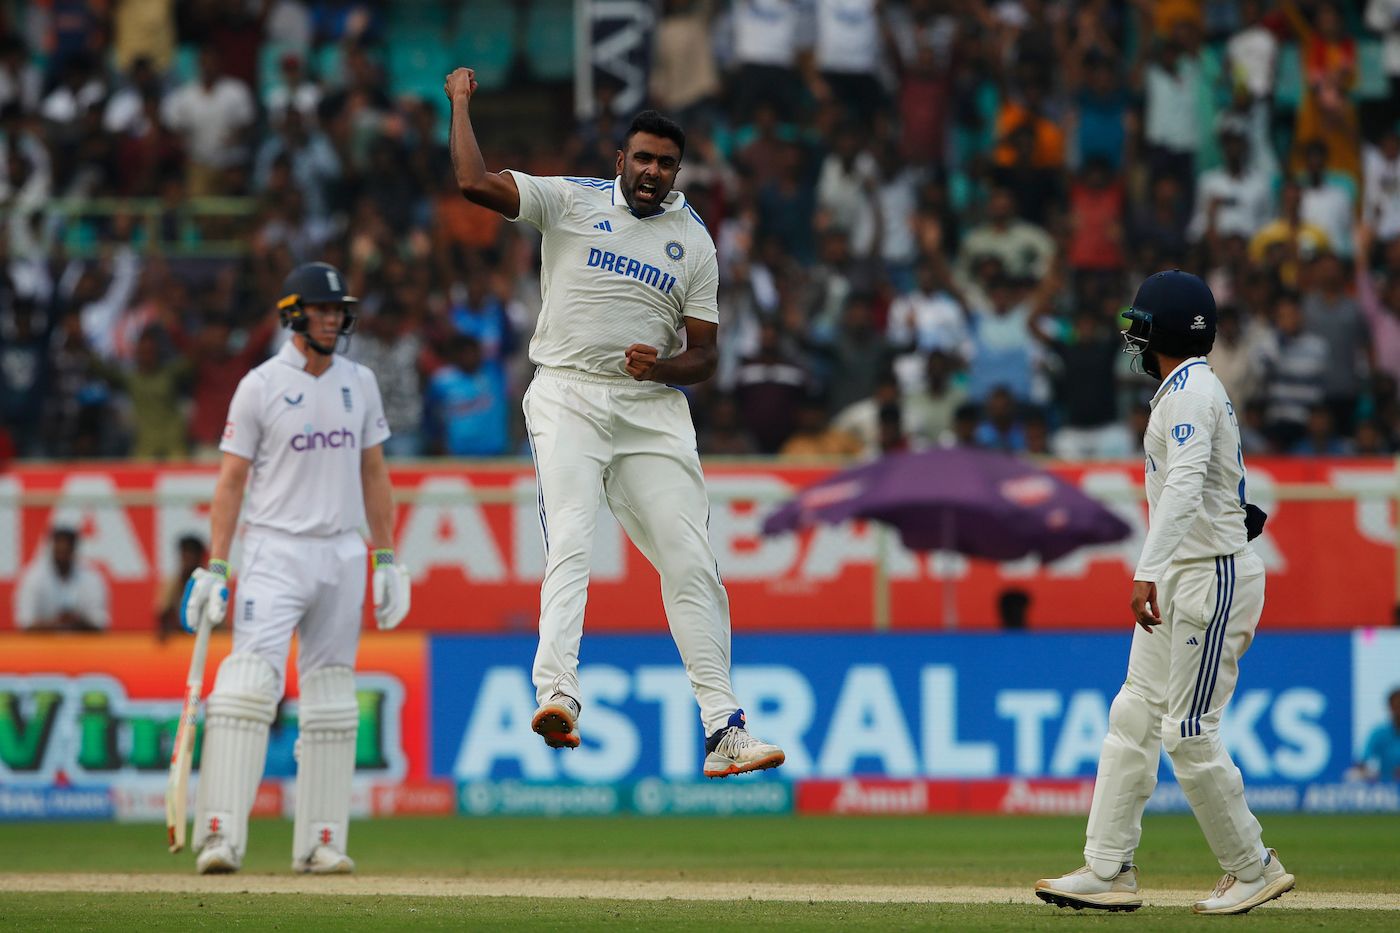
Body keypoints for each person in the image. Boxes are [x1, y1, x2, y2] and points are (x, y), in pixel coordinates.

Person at [444, 66, 784, 778]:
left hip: (649, 406)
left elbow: (706, 356)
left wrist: (661, 368)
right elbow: (474, 183)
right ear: (620, 159)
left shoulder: (693, 241)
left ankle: (723, 728)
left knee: (691, 558)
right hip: (568, 393)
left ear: (678, 171)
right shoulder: (570, 200)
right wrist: (461, 103)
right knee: (571, 537)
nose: (653, 171)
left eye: (666, 163)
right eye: (644, 158)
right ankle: (558, 694)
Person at [1035, 271, 1295, 916]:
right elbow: (1205, 484)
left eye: (1142, 325)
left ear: (1168, 330)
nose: (1135, 336)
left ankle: (1253, 867)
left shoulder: (1191, 391)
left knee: (1187, 732)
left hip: (1208, 575)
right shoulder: (1187, 389)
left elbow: (1183, 486)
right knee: (1134, 714)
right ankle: (1108, 867)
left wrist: (1146, 569)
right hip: (1189, 569)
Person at [178, 261, 411, 876]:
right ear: (293, 315)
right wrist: (215, 568)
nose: (332, 319)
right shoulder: (259, 385)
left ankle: (320, 841)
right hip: (274, 550)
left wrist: (386, 557)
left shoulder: (359, 382)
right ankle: (220, 836)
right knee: (248, 688)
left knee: (332, 697)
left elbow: (374, 473)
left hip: (341, 551)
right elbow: (231, 481)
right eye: (322, 310)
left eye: (338, 310)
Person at [13, 527, 109, 631]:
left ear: (73, 550)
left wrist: (77, 621)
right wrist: (56, 623)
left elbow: (100, 623)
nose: (62, 554)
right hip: (42, 640)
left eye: (66, 550)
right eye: (59, 550)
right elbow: (25, 623)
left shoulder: (90, 577)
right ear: (51, 549)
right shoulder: (34, 577)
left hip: (81, 639)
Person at [1355, 688, 1400, 782]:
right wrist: (1370, 774)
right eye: (1396, 707)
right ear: (1389, 708)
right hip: (1386, 786)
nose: (1399, 711)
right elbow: (1362, 763)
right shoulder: (1378, 734)